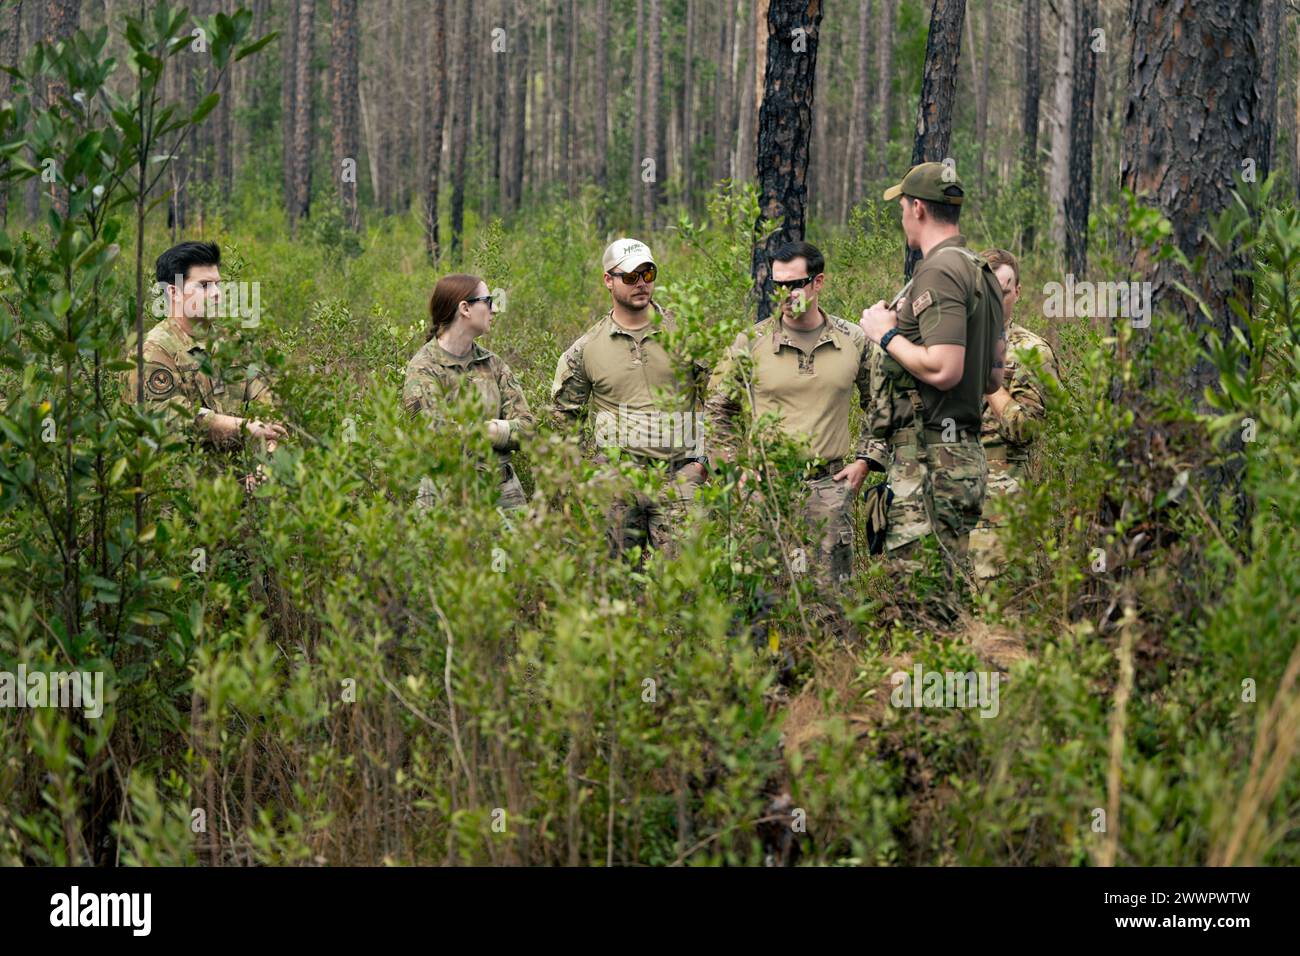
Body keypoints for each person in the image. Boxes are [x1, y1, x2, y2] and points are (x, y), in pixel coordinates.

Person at [858, 162, 1005, 609]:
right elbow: (994, 375)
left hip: (930, 465)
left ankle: (925, 678)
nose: (903, 215)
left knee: (919, 606)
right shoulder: (981, 271)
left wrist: (885, 333)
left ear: (918, 208)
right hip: (962, 455)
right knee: (945, 595)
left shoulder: (939, 272)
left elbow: (944, 369)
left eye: (902, 206)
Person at [705, 241, 879, 587]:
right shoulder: (751, 341)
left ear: (818, 282)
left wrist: (865, 460)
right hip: (764, 491)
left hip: (829, 490)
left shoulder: (853, 340)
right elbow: (716, 409)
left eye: (795, 284)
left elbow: (881, 402)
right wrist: (732, 471)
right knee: (761, 600)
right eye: (778, 285)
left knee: (830, 605)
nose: (785, 294)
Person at [549, 238, 708, 558]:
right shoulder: (586, 348)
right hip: (616, 485)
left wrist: (703, 463)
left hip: (680, 478)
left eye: (648, 274)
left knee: (686, 585)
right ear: (608, 280)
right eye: (631, 277)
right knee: (617, 586)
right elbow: (565, 418)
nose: (641, 284)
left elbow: (720, 400)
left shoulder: (686, 334)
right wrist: (584, 477)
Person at [125, 241, 284, 490]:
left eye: (218, 285)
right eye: (204, 286)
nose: (217, 293)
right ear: (174, 292)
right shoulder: (153, 352)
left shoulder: (233, 345)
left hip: (242, 491)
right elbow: (170, 419)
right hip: (180, 498)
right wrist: (245, 427)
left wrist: (266, 464)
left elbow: (269, 404)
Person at [403, 274, 535, 510]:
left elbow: (527, 429)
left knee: (522, 547)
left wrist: (487, 430)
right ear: (465, 308)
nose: (494, 310)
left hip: (503, 493)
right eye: (488, 301)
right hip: (445, 495)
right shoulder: (424, 367)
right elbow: (434, 437)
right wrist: (497, 431)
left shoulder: (493, 364)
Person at [969, 248, 1059, 581]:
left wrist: (990, 385)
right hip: (948, 499)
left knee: (996, 612)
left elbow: (1028, 429)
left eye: (1002, 292)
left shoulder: (1032, 352)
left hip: (1000, 506)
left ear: (1017, 293)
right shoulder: (950, 345)